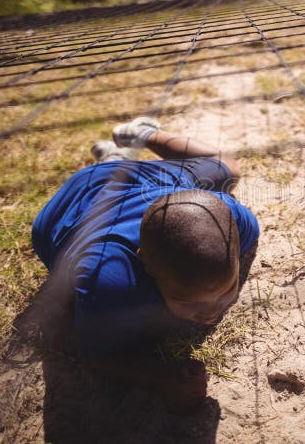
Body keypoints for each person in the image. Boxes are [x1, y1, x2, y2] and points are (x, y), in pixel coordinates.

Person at [31, 116, 259, 412]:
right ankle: (126, 149)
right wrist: (159, 379)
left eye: (227, 290)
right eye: (187, 302)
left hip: (153, 183)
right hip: (76, 199)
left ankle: (131, 145)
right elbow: (94, 353)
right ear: (145, 264)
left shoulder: (231, 217)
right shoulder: (108, 278)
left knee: (228, 167)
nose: (210, 312)